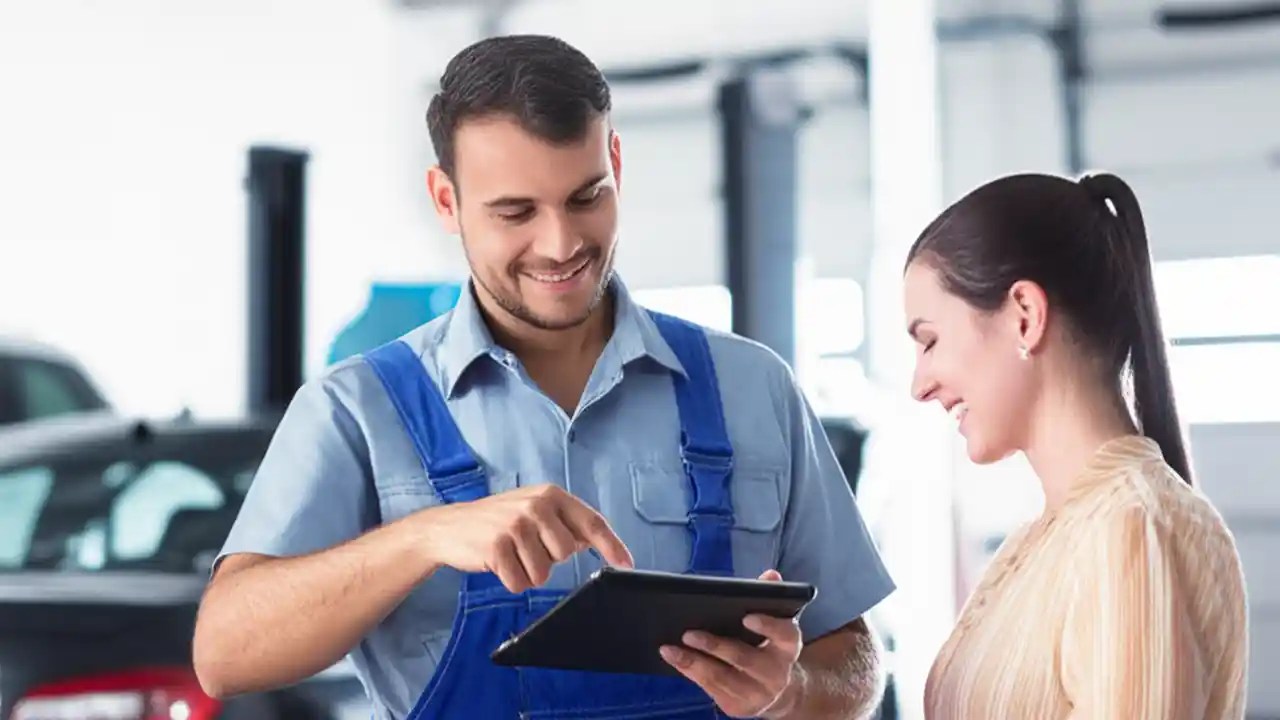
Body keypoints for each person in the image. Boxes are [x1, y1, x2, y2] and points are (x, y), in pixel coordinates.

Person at [193, 34, 895, 720]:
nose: (560, 245)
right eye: (516, 212)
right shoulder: (356, 409)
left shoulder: (754, 387)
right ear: (446, 200)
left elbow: (856, 660)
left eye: (586, 197)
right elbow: (224, 654)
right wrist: (422, 537)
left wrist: (792, 690)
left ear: (615, 162)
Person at [902, 171, 1248, 718]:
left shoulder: (1130, 526)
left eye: (930, 341)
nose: (919, 386)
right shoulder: (1039, 543)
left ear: (1025, 316)